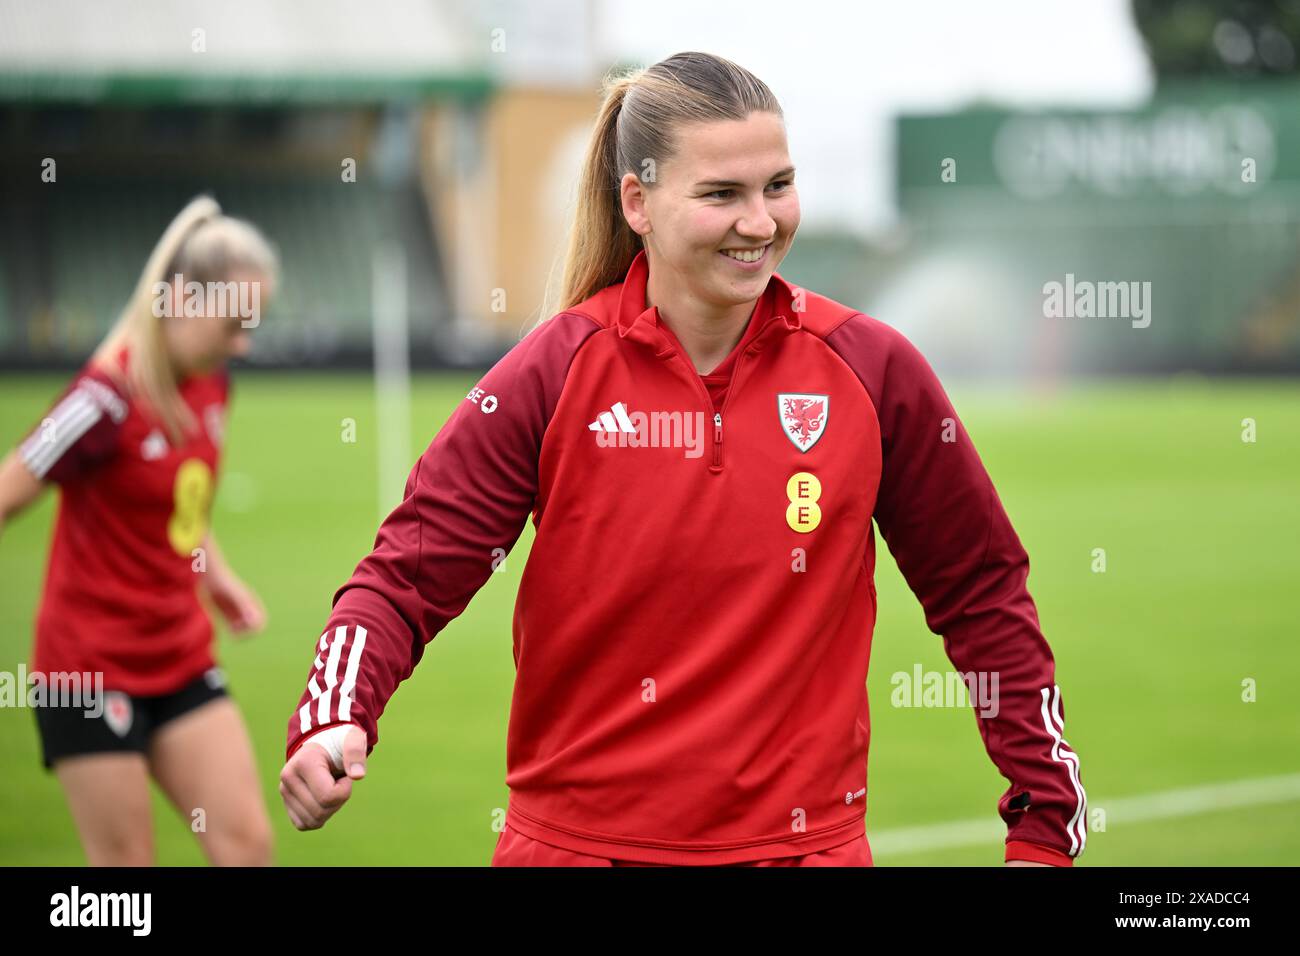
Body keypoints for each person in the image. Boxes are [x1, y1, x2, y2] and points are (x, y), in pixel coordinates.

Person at [279, 52, 1086, 867]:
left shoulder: (871, 371)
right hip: (578, 854)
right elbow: (404, 578)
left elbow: (981, 593)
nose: (762, 222)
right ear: (639, 201)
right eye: (721, 194)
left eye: (777, 185)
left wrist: (1045, 824)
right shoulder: (553, 374)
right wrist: (334, 713)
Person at [0, 195, 279, 866]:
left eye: (253, 326)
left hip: (179, 657)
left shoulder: (210, 387)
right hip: (88, 673)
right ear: (181, 298)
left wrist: (220, 580)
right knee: (126, 883)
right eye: (234, 324)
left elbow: (185, 511)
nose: (242, 344)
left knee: (248, 848)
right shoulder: (102, 401)